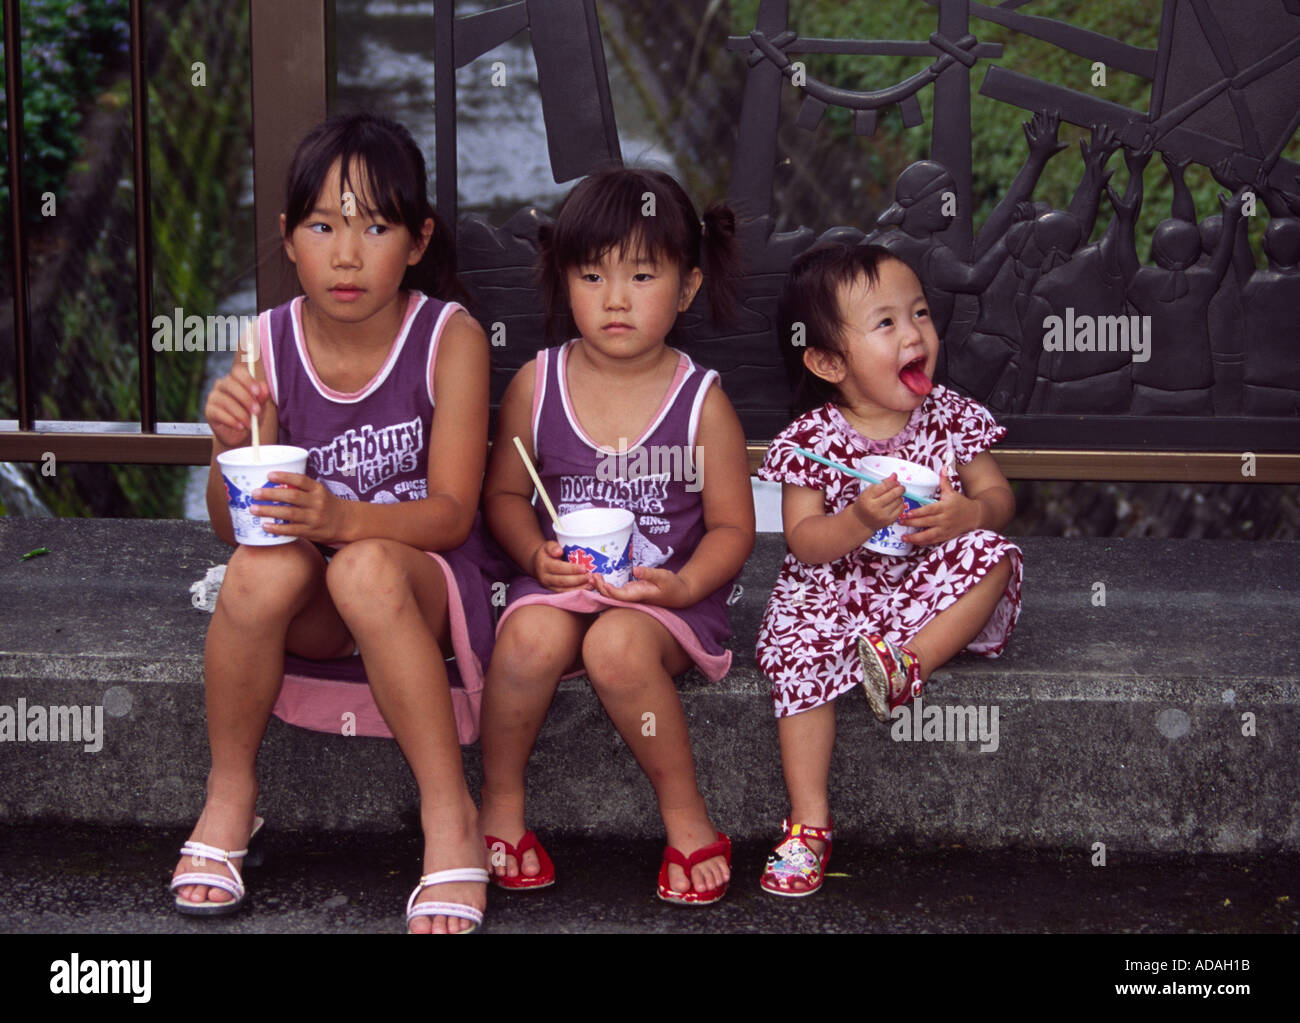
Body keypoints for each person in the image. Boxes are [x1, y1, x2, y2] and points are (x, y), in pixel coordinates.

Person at [170, 112, 498, 934]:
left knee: (364, 565)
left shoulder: (446, 338)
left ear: (418, 240)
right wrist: (224, 445)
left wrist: (345, 517)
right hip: (316, 599)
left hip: (415, 585)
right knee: (261, 567)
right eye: (322, 226)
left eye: (374, 226)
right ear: (288, 238)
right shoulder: (266, 342)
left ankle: (449, 814)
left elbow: (455, 515)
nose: (346, 254)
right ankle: (229, 800)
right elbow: (231, 524)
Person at [478, 166, 755, 904]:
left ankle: (686, 817)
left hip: (664, 597)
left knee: (616, 644)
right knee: (527, 640)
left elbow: (734, 526)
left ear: (688, 287)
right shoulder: (538, 385)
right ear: (564, 281)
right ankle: (500, 805)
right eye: (592, 275)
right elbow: (505, 491)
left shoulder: (701, 403)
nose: (616, 299)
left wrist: (687, 583)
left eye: (641, 275)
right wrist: (531, 553)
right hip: (562, 582)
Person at [756, 242, 1022, 897]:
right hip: (836, 589)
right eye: (886, 323)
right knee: (796, 650)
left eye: (921, 314)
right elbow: (804, 540)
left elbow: (1001, 502)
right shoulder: (813, 438)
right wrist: (856, 522)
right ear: (826, 361)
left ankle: (909, 664)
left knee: (994, 556)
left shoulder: (951, 416)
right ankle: (808, 823)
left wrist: (966, 514)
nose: (914, 334)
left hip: (922, 585)